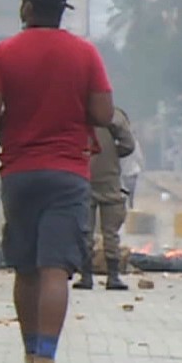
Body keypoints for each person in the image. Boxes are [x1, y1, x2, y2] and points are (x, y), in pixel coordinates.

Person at [0, 0, 115, 363]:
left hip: (19, 173)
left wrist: (9, 123)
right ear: (62, 11)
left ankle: (29, 355)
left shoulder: (3, 53)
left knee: (26, 268)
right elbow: (105, 114)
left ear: (27, 9)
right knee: (56, 269)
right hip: (69, 173)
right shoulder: (86, 54)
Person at [77, 110, 135, 292]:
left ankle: (86, 276)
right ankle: (113, 276)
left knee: (84, 230)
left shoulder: (74, 113)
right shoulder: (113, 115)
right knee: (111, 232)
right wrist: (109, 154)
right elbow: (128, 144)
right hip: (109, 177)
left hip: (82, 174)